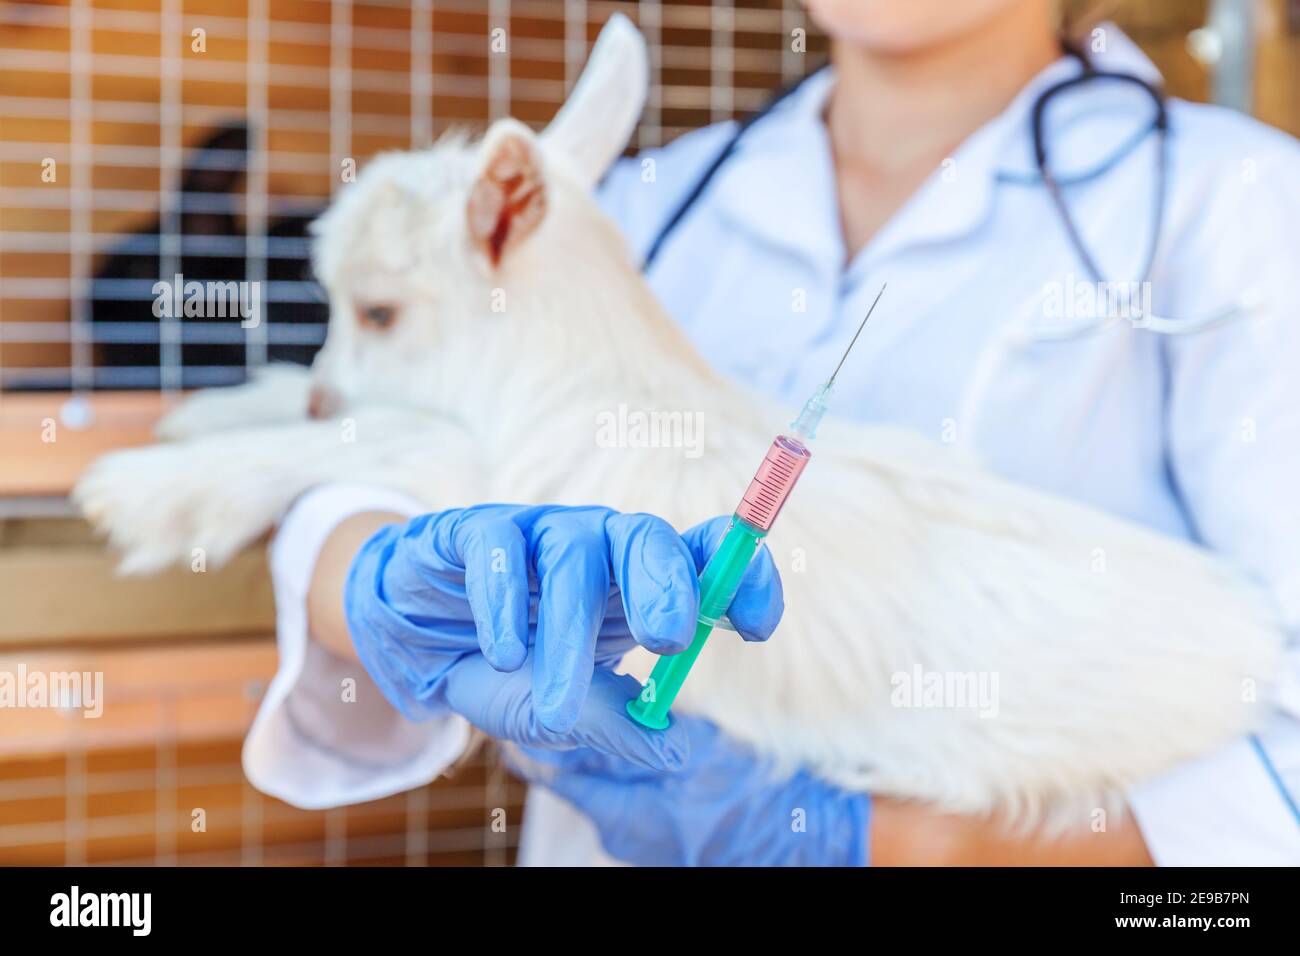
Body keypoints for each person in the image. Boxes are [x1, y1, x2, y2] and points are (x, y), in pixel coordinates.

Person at [241, 0, 1300, 865]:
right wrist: (375, 569)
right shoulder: (645, 202)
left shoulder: (1237, 204)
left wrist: (900, 847)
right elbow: (384, 454)